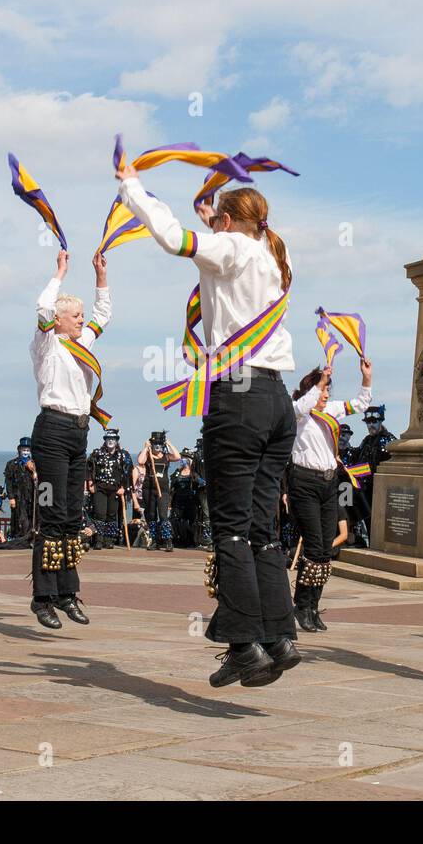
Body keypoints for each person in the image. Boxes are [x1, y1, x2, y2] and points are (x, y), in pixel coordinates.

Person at [118, 161, 301, 688]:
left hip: (238, 398)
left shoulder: (233, 249)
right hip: (277, 399)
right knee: (264, 529)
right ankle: (279, 635)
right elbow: (215, 251)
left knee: (231, 528)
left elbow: (173, 238)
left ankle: (245, 646)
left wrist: (132, 186)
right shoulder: (269, 254)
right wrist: (214, 218)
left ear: (226, 222)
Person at [26, 244, 110, 630]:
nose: (81, 320)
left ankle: (67, 592)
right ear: (59, 320)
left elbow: (104, 315)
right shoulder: (46, 345)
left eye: (80, 316)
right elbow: (42, 309)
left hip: (79, 434)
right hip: (51, 433)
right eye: (75, 316)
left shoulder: (82, 345)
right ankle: (43, 597)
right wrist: (58, 273)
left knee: (73, 517)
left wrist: (100, 278)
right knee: (52, 513)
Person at [288, 358, 373, 633]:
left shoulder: (331, 412)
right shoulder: (298, 413)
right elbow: (303, 405)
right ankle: (301, 605)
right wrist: (320, 381)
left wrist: (366, 379)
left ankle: (313, 606)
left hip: (328, 484)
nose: (326, 395)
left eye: (327, 391)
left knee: (327, 548)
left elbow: (359, 404)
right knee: (314, 547)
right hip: (304, 483)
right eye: (323, 390)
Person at [350, 405, 394, 546]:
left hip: (382, 488)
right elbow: (357, 459)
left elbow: (382, 465)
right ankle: (371, 545)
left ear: (380, 421)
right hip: (366, 488)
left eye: (374, 422)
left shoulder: (389, 440)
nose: (371, 425)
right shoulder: (366, 440)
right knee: (368, 518)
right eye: (368, 422)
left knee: (380, 519)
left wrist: (360, 470)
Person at [87, 428, 132, 549]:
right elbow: (89, 469)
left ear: (117, 441)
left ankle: (109, 540)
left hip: (115, 489)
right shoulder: (97, 454)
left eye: (113, 439)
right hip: (100, 488)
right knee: (100, 514)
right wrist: (90, 483)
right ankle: (99, 540)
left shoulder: (123, 455)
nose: (110, 441)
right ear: (105, 440)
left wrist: (124, 487)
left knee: (112, 515)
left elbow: (128, 473)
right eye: (108, 439)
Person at [138, 432, 181, 552]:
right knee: (151, 515)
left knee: (163, 515)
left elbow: (177, 457)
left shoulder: (166, 456)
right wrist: (146, 448)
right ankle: (154, 540)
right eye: (155, 444)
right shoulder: (148, 456)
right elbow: (140, 461)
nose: (157, 446)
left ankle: (168, 541)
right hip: (149, 489)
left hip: (163, 490)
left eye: (159, 444)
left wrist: (168, 443)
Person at [3, 440, 37, 541]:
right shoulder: (12, 464)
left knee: (32, 516)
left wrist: (34, 471)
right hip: (18, 496)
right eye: (24, 449)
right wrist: (11, 497)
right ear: (19, 450)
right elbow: (8, 482)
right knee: (19, 517)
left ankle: (31, 536)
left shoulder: (34, 463)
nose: (25, 452)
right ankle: (19, 536)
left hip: (32, 495)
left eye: (27, 450)